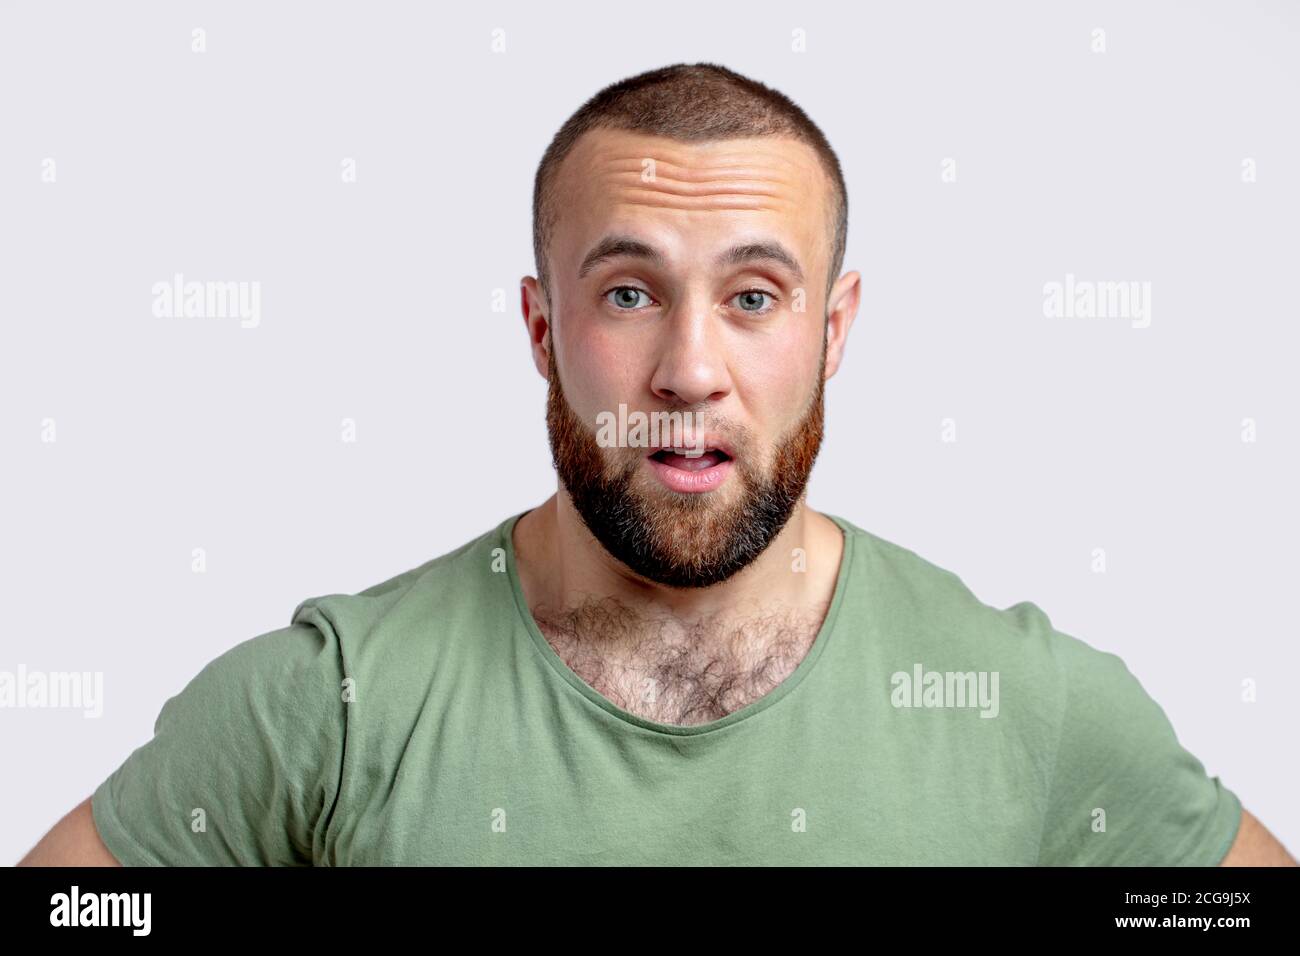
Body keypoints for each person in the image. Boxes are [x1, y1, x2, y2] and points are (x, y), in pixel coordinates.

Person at [19, 62, 1295, 866]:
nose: (689, 368)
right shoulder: (329, 711)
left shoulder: (1019, 702)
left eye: (753, 295)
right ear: (540, 328)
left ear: (832, 331)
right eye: (629, 292)